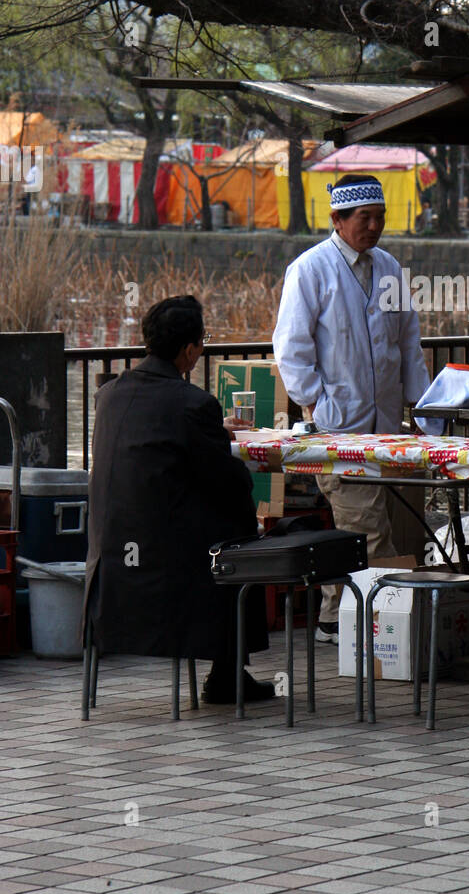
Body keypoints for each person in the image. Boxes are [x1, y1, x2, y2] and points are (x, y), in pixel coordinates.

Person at [84, 295, 274, 704]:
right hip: (166, 566)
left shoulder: (110, 395)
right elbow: (228, 482)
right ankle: (227, 673)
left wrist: (210, 431)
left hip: (111, 557)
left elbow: (158, 440)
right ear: (189, 351)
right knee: (241, 533)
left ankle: (226, 673)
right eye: (201, 342)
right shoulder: (194, 404)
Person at [273, 173, 430, 642]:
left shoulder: (388, 268)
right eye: (365, 217)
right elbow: (291, 348)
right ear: (338, 220)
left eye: (380, 217)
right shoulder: (310, 269)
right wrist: (317, 405)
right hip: (336, 427)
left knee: (360, 522)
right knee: (366, 526)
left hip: (386, 427)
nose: (374, 225)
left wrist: (422, 410)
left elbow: (409, 345)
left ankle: (330, 616)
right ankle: (386, 630)